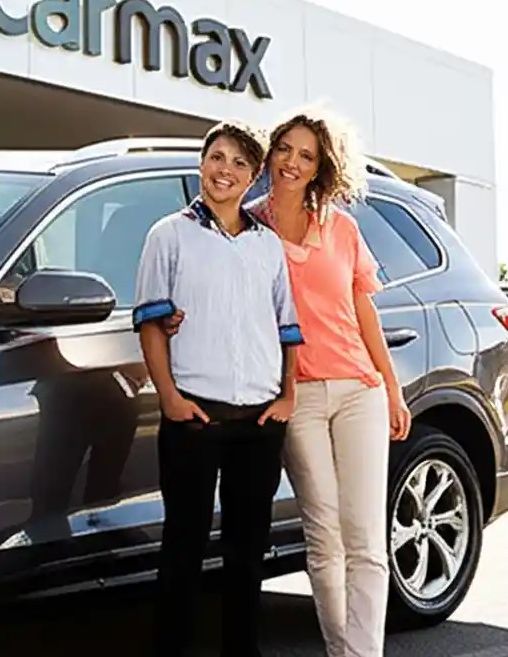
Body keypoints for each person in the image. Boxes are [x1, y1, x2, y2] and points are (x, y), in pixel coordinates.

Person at [162, 107, 412, 657]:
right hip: (292, 396)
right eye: (285, 150)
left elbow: (362, 308)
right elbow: (217, 298)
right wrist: (176, 317)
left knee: (366, 538)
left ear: (320, 166)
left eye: (307, 155)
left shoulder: (341, 227)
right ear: (268, 155)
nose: (292, 163)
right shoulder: (246, 225)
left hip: (357, 389)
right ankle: (338, 648)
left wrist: (390, 388)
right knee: (322, 536)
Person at [133, 120, 303, 657]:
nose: (223, 170)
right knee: (182, 548)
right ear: (201, 164)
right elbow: (151, 323)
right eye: (216, 157)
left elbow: (286, 327)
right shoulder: (169, 235)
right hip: (194, 419)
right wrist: (170, 397)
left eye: (236, 163)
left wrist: (287, 395)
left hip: (258, 422)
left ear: (253, 178)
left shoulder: (267, 246)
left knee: (247, 553)